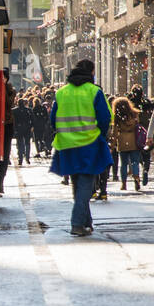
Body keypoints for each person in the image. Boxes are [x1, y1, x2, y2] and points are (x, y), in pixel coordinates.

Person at [50, 59, 112, 236]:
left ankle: (86, 221)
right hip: (89, 143)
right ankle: (77, 224)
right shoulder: (94, 92)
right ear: (91, 73)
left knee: (77, 183)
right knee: (86, 184)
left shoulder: (62, 93)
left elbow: (53, 119)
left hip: (66, 144)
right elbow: (105, 118)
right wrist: (99, 134)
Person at [112, 95, 141, 190]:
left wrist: (112, 144)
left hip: (122, 141)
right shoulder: (135, 114)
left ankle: (123, 184)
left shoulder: (118, 117)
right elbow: (138, 127)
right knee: (135, 162)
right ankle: (136, 177)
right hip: (134, 140)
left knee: (124, 164)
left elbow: (115, 132)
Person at [13, 97, 34, 165]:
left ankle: (20, 159)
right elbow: (33, 119)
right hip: (27, 128)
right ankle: (27, 157)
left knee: (20, 144)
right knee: (27, 143)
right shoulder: (28, 110)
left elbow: (13, 121)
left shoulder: (14, 110)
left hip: (19, 129)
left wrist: (14, 128)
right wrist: (31, 126)